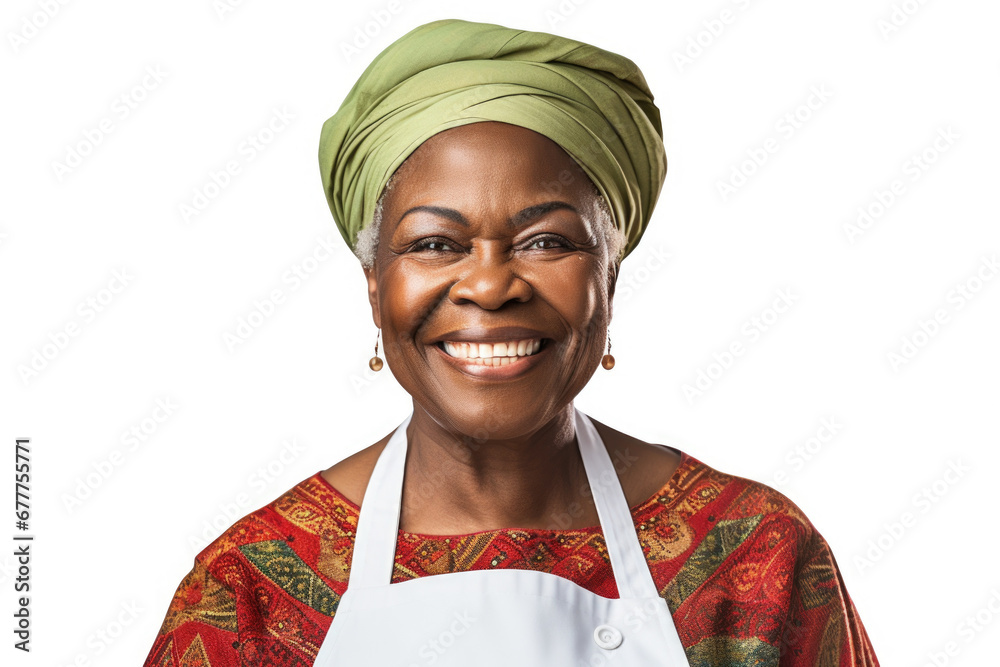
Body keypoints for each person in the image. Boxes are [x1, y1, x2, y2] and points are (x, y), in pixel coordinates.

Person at [143, 18, 879, 666]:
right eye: (434, 242)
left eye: (547, 240)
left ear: (609, 279)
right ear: (374, 284)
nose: (491, 286)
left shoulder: (757, 558)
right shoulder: (249, 595)